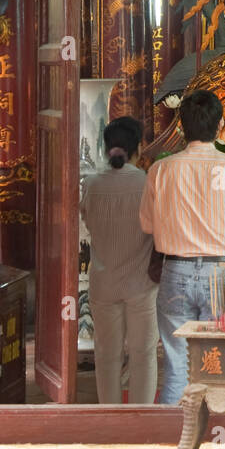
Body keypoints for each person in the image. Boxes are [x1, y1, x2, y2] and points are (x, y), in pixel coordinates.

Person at [140, 90, 225, 405]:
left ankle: (171, 443)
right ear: (222, 124)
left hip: (175, 271)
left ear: (182, 127)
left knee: (177, 368)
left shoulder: (161, 170)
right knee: (222, 366)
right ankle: (217, 442)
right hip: (221, 273)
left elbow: (147, 225)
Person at [79, 116, 158, 405]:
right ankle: (141, 417)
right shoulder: (147, 183)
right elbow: (156, 227)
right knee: (143, 355)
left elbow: (87, 221)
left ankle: (109, 417)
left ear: (106, 148)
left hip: (103, 284)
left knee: (106, 356)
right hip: (141, 284)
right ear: (138, 148)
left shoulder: (91, 184)